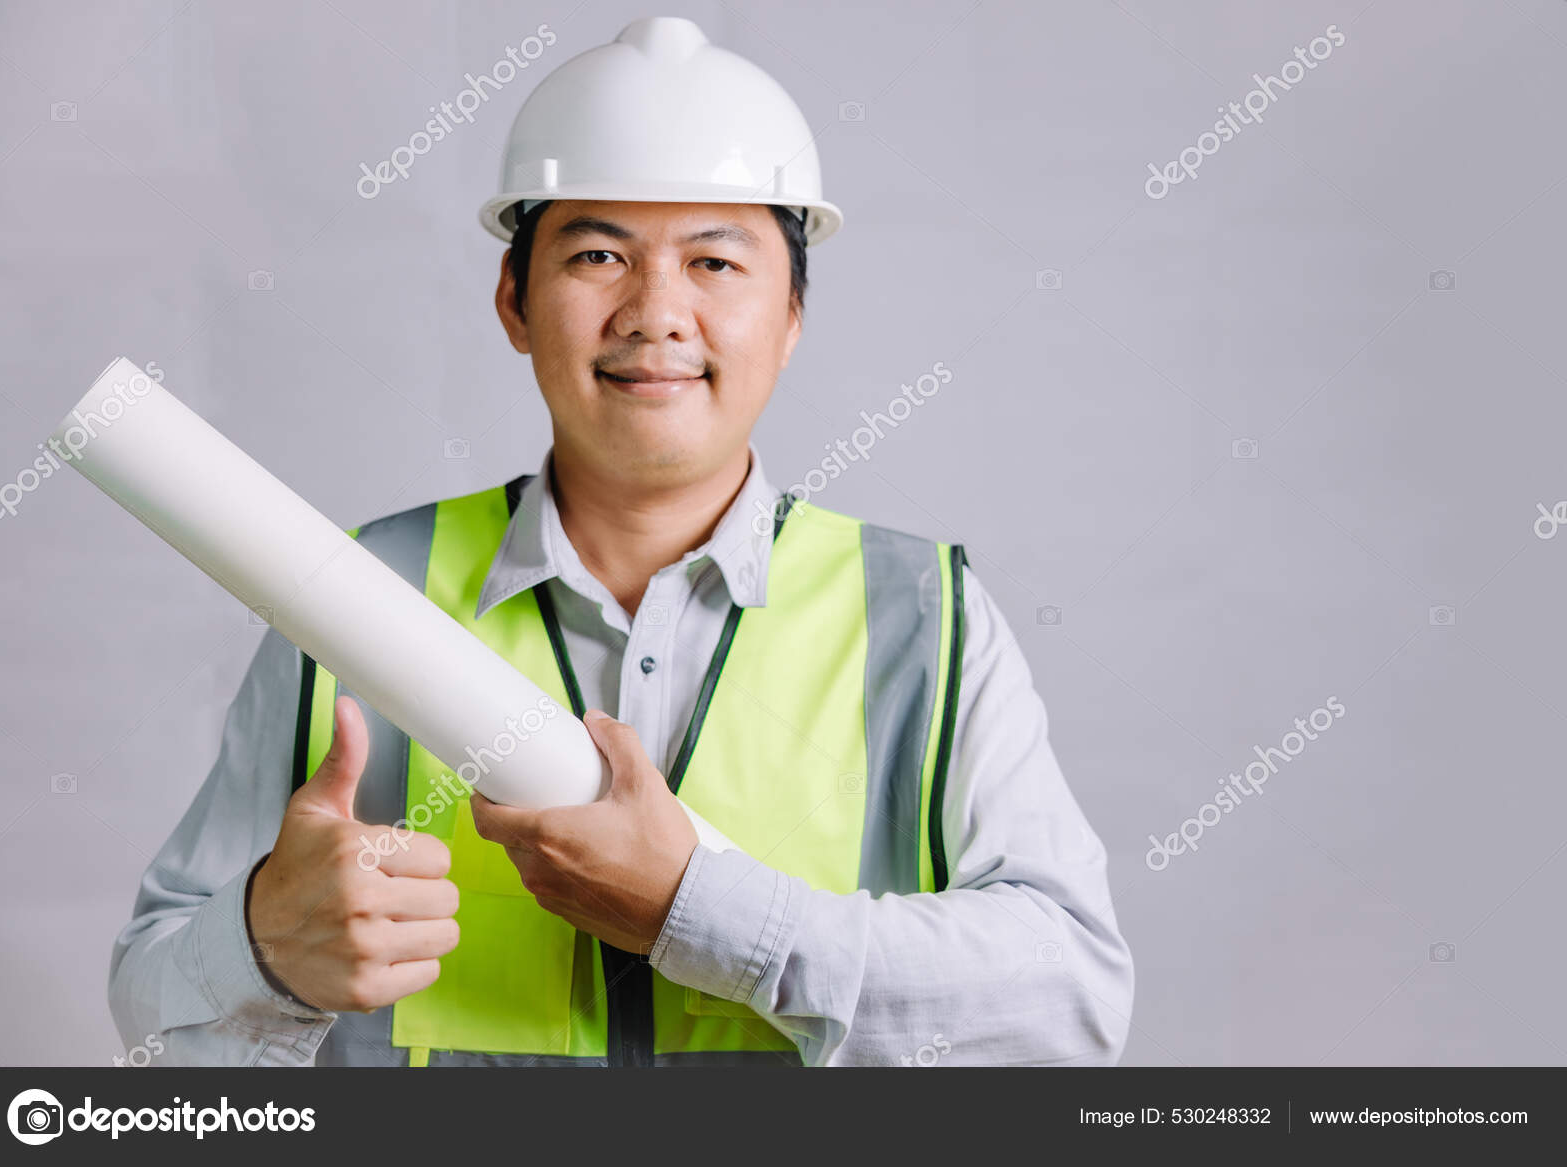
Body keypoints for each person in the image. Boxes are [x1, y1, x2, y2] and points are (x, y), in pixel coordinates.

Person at [109, 16, 1132, 1067]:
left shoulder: (921, 614)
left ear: (790, 316)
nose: (655, 313)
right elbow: (150, 1006)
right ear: (514, 300)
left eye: (715, 263)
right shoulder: (354, 593)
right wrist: (261, 953)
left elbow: (1066, 1008)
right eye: (598, 254)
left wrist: (706, 914)